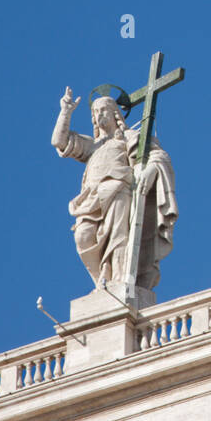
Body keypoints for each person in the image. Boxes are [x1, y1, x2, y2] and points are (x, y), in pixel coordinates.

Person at [52, 87, 177, 293]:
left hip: (119, 190)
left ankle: (117, 282)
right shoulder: (93, 145)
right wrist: (65, 112)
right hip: (91, 198)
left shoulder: (128, 136)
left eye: (103, 110)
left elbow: (158, 155)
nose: (98, 115)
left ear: (115, 114)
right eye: (95, 112)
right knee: (83, 236)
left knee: (119, 239)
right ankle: (101, 283)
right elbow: (59, 141)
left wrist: (149, 170)